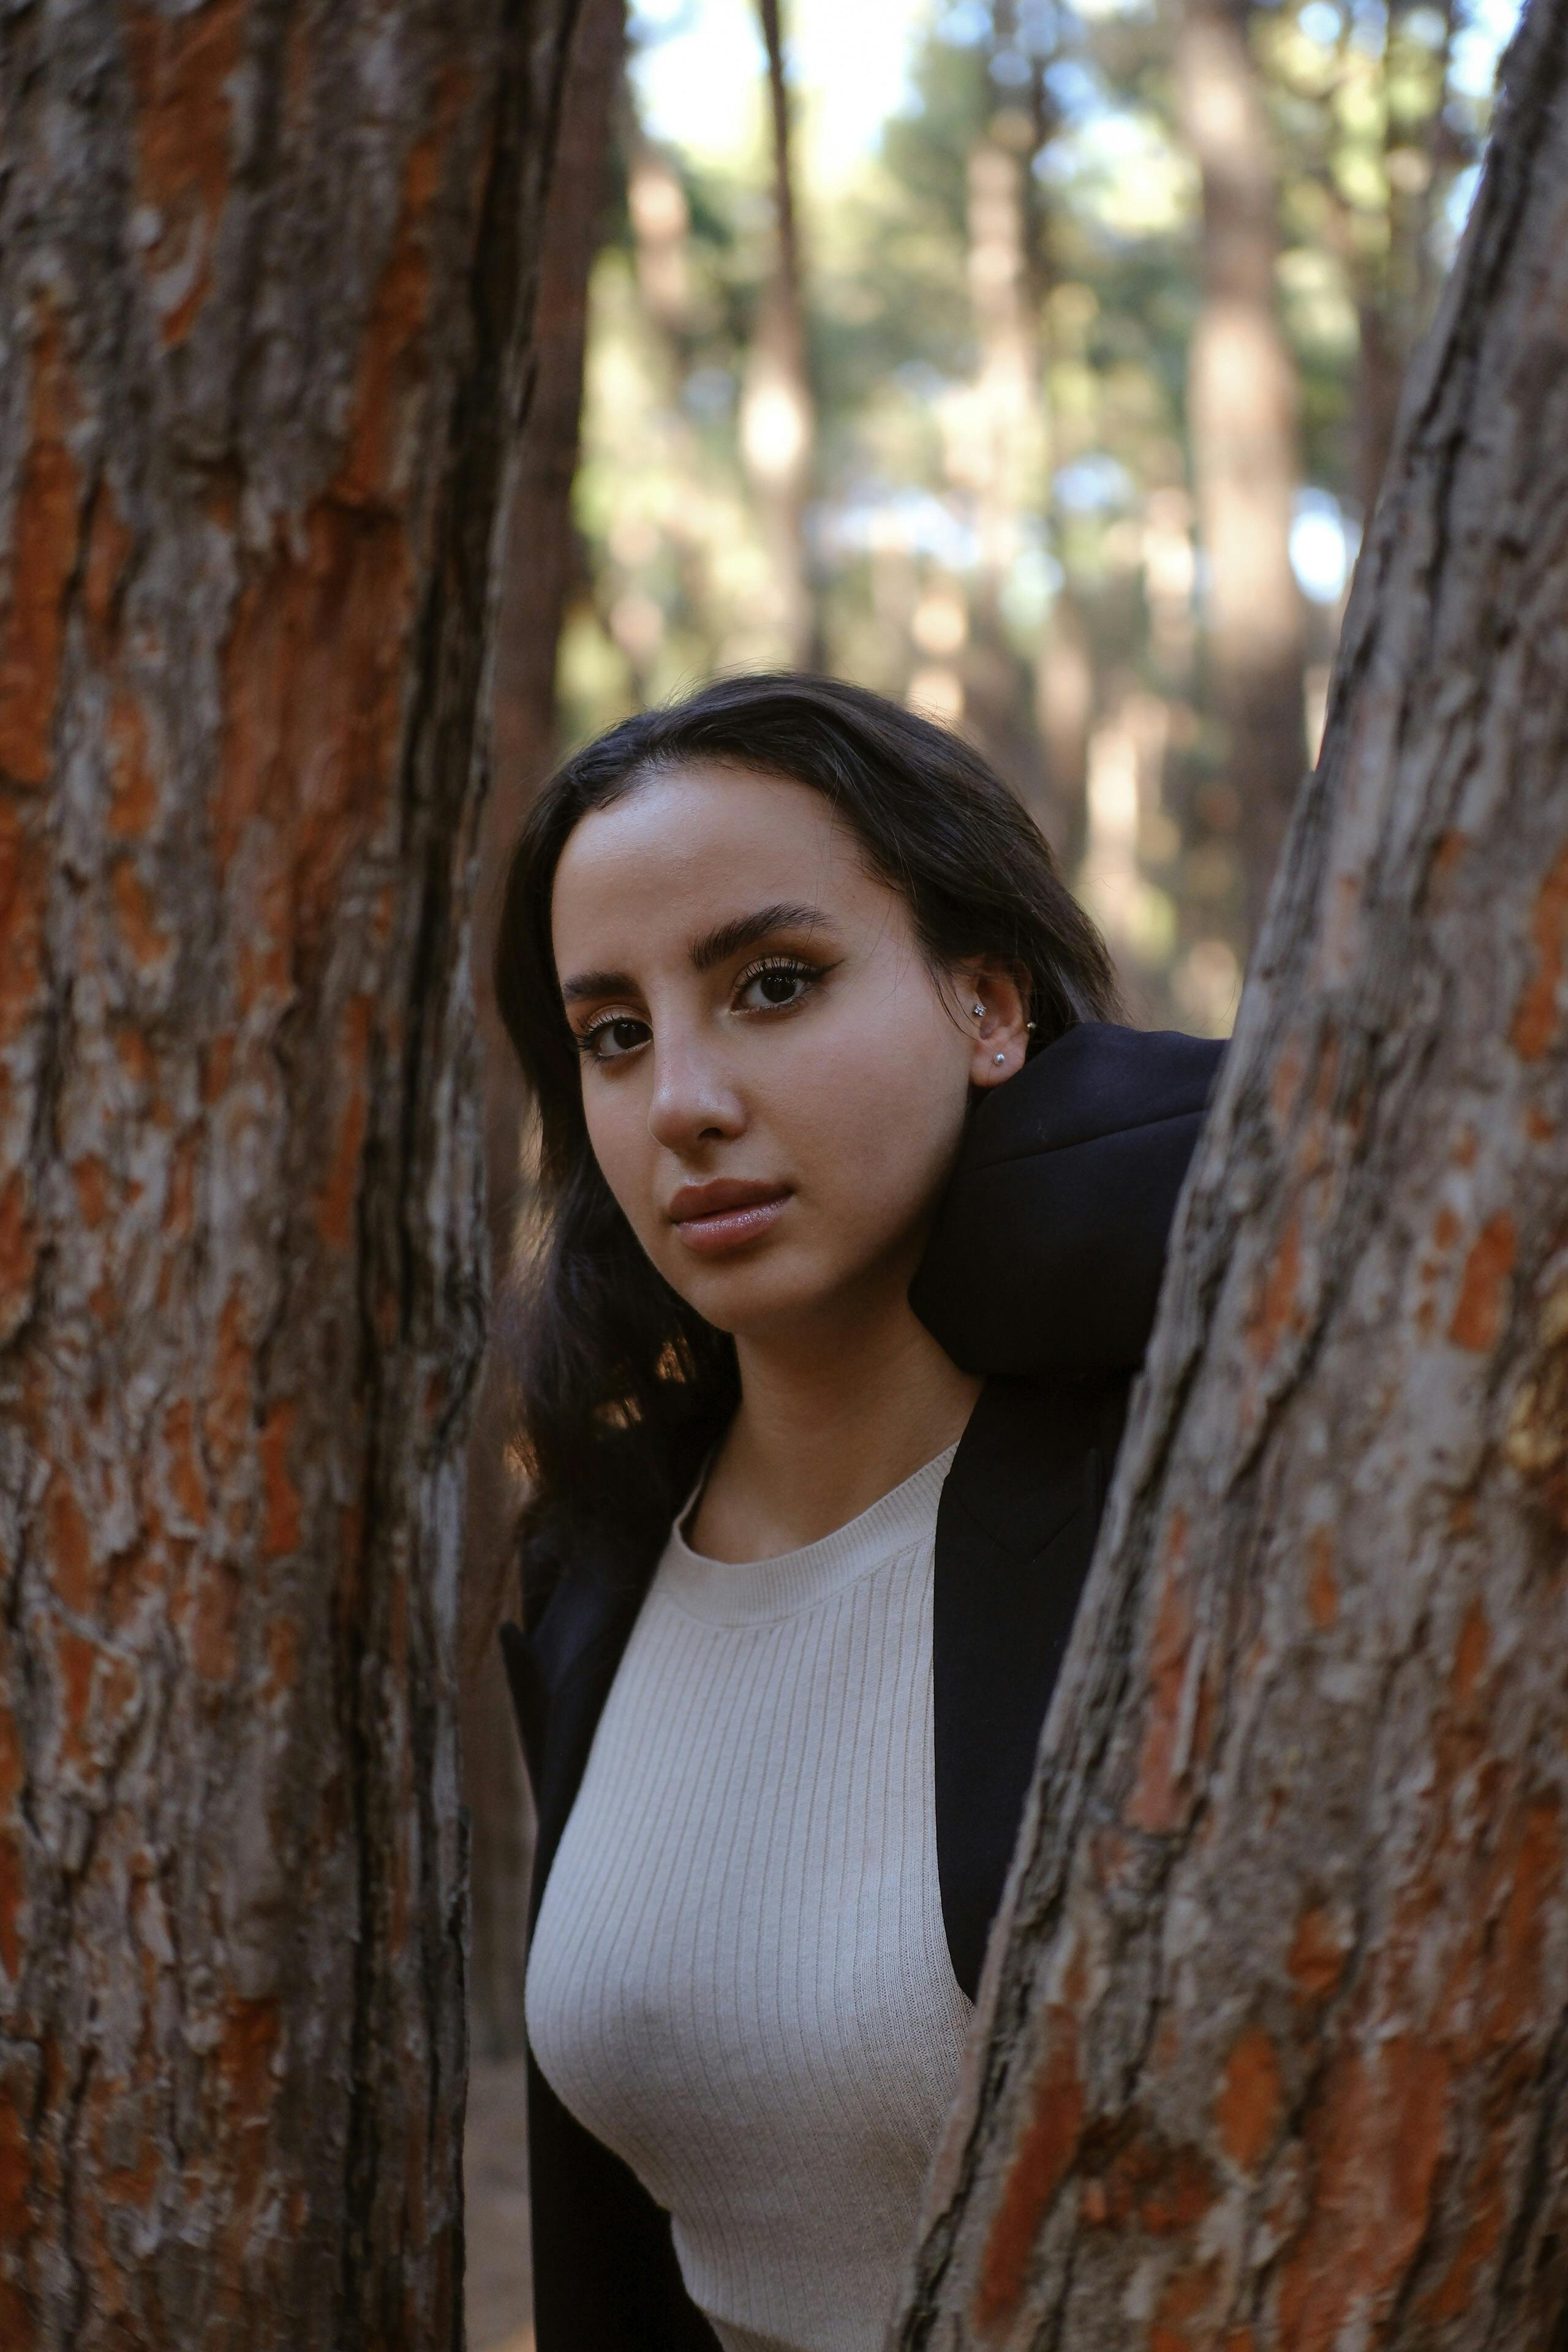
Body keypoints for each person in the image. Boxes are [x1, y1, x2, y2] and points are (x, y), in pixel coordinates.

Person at [491, 673, 1223, 2352]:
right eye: (614, 1032)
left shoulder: (1179, 1497)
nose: (681, 1099)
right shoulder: (595, 1563)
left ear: (986, 1002)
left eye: (774, 984)